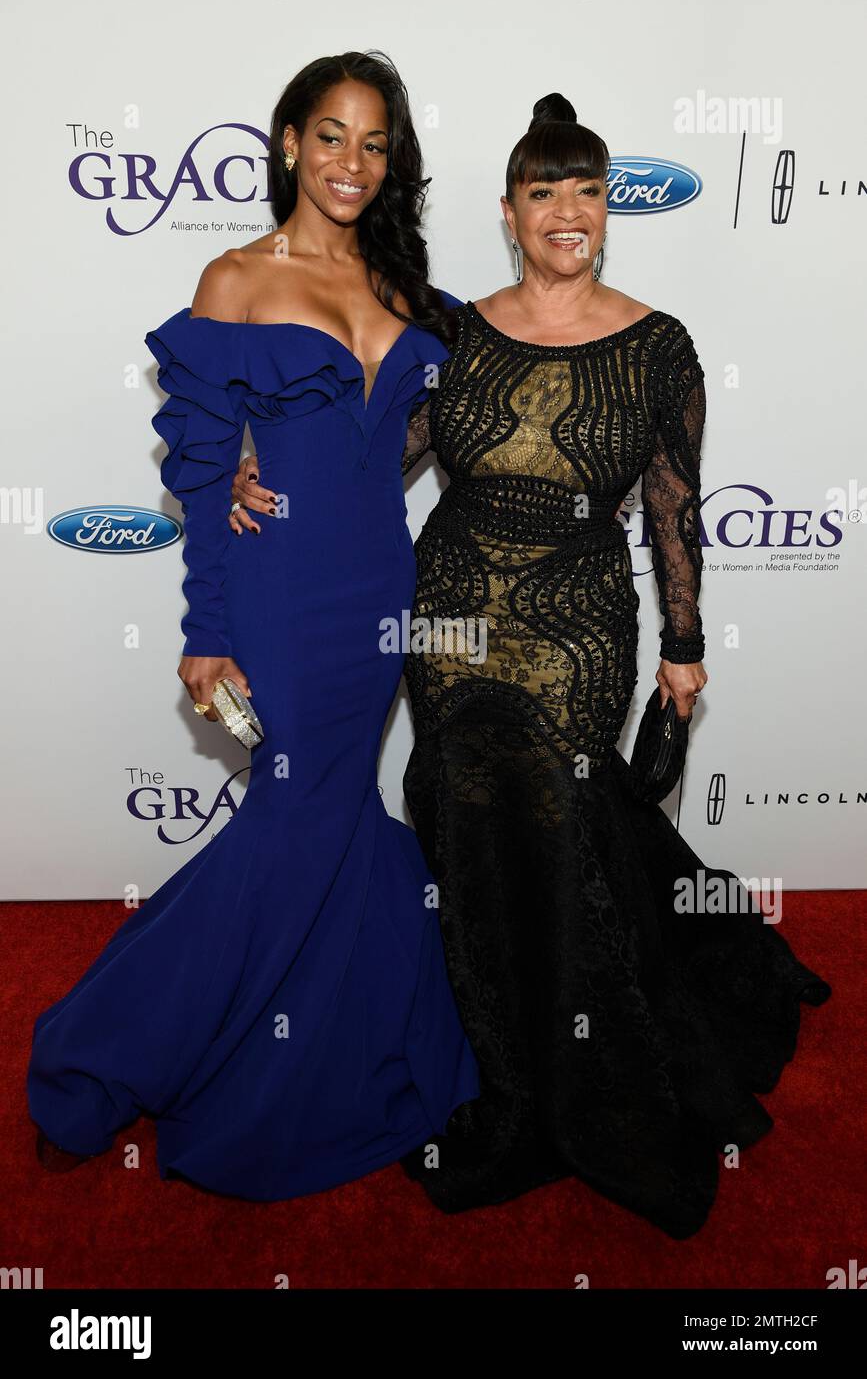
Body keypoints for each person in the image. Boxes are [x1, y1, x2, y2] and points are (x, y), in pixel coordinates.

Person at [228, 93, 831, 1238]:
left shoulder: (659, 344)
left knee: (558, 817)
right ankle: (494, 1067)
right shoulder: (455, 330)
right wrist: (255, 466)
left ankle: (586, 1070)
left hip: (580, 616)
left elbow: (672, 506)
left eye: (588, 189)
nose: (568, 212)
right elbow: (374, 461)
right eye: (544, 191)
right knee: (462, 823)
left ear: (609, 209)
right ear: (509, 213)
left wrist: (685, 649)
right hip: (446, 607)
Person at [27, 50, 479, 1200]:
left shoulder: (407, 290)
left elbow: (416, 428)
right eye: (330, 135)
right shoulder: (235, 279)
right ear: (287, 142)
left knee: (332, 819)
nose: (351, 162)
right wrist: (206, 628)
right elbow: (197, 479)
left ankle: (332, 1039)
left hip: (382, 590)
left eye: (375, 144)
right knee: (291, 825)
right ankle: (113, 1046)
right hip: (281, 600)